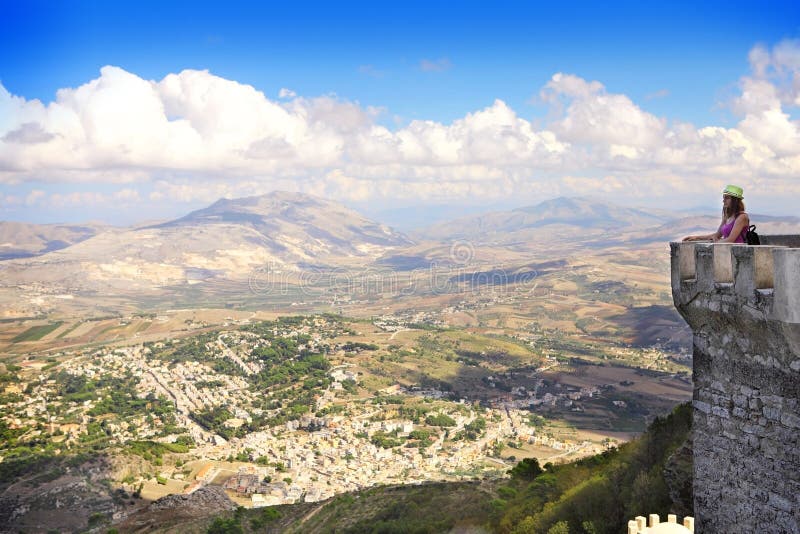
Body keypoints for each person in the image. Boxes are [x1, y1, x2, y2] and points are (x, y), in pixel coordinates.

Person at [683, 185, 750, 243]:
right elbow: (717, 235)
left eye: (727, 198)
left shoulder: (742, 217)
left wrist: (715, 243)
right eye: (724, 198)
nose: (723, 201)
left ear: (735, 200)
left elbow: (730, 240)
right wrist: (696, 238)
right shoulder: (727, 216)